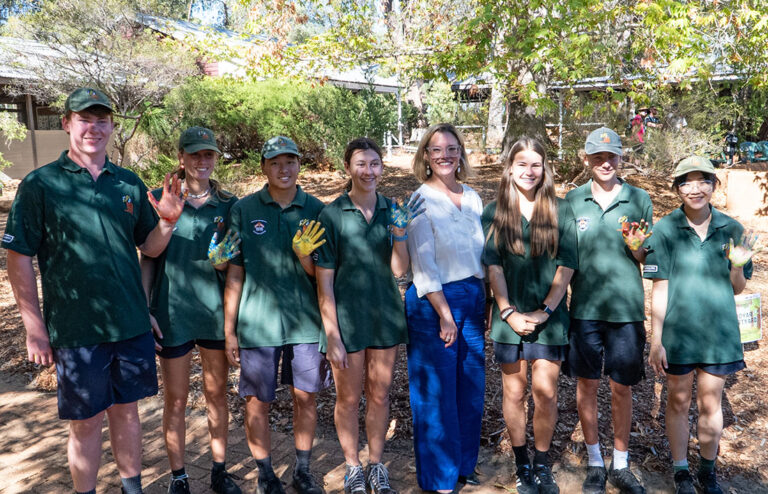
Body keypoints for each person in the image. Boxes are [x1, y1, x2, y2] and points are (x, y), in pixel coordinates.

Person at [2, 87, 184, 494]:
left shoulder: (128, 182)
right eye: (85, 119)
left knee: (127, 413)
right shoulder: (40, 185)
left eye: (102, 120)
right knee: (86, 423)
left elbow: (148, 247)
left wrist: (168, 223)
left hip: (130, 325)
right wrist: (34, 328)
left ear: (112, 127)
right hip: (76, 329)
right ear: (66, 123)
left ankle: (130, 487)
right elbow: (18, 258)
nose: (94, 128)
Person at [223, 136, 330, 494]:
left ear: (300, 165)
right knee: (258, 401)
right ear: (263, 168)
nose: (283, 169)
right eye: (275, 163)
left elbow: (325, 275)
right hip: (257, 323)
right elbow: (234, 272)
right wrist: (230, 331)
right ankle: (265, 473)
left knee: (306, 396)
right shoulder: (244, 209)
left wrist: (305, 258)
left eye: (290, 161)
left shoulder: (316, 209)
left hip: (305, 323)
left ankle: (302, 470)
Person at [645, 156, 756, 494]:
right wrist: (656, 340)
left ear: (713, 185)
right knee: (677, 401)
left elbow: (737, 286)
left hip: (718, 333)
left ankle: (708, 471)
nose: (695, 189)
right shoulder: (665, 229)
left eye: (702, 181)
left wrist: (737, 265)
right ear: (677, 189)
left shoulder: (731, 229)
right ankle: (681, 472)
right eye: (686, 182)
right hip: (678, 333)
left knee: (711, 403)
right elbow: (659, 286)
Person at [315, 137, 420, 494]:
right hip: (346, 320)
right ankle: (352, 467)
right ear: (348, 168)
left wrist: (401, 234)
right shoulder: (331, 214)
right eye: (361, 163)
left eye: (375, 163)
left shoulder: (393, 209)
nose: (369, 170)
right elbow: (324, 283)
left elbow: (399, 269)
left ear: (382, 167)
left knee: (379, 394)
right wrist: (331, 334)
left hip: (384, 316)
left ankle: (376, 465)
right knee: (347, 398)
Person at [141, 127, 241, 494]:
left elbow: (236, 267)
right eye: (195, 154)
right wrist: (144, 307)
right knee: (177, 398)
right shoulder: (159, 198)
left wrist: (223, 265)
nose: (202, 161)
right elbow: (149, 258)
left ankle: (218, 469)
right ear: (181, 158)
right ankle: (179, 476)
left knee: (217, 394)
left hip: (214, 314)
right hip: (172, 314)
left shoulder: (230, 205)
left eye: (209, 155)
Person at [483, 137, 578, 494]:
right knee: (513, 391)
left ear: (544, 168)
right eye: (521, 163)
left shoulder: (561, 209)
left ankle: (542, 464)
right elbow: (493, 267)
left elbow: (567, 265)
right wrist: (508, 312)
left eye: (535, 164)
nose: (528, 170)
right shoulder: (494, 212)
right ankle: (521, 463)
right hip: (509, 320)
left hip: (550, 321)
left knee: (546, 393)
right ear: (509, 167)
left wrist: (544, 311)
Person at [565, 127, 652, 494]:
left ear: (621, 159)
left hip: (626, 311)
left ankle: (620, 462)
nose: (605, 163)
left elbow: (646, 259)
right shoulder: (572, 200)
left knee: (621, 387)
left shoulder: (639, 198)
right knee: (587, 384)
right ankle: (595, 461)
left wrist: (637, 247)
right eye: (597, 157)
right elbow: (564, 257)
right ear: (586, 160)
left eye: (611, 156)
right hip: (584, 308)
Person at [404, 123, 485, 493]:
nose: (445, 156)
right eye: (436, 150)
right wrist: (445, 314)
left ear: (461, 153)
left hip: (472, 296)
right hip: (434, 303)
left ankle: (463, 465)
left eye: (452, 148)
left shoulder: (472, 197)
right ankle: (439, 479)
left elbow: (479, 255)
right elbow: (421, 265)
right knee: (437, 393)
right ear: (425, 156)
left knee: (469, 387)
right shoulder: (419, 200)